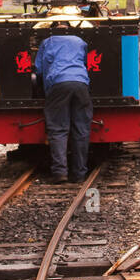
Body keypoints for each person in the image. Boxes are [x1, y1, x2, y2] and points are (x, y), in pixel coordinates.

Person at [32, 30, 92, 182]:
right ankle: (79, 174)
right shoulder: (79, 40)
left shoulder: (48, 42)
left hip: (58, 83)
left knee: (58, 128)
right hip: (80, 83)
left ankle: (60, 172)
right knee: (81, 129)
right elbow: (86, 62)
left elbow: (39, 69)